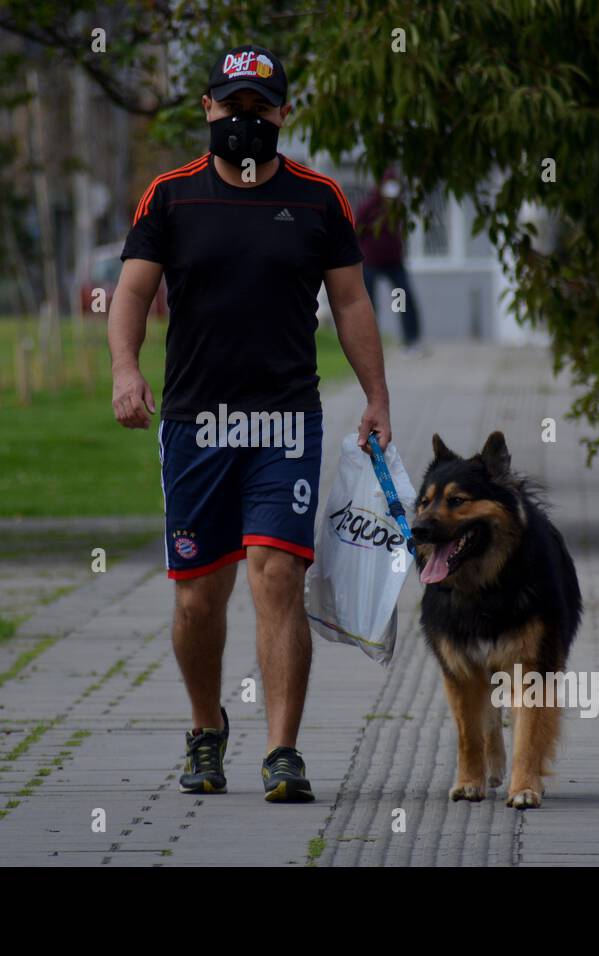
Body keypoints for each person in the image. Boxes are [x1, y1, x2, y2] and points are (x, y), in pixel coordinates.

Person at [108, 44, 391, 803]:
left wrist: (377, 398)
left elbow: (352, 303)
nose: (244, 120)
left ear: (282, 115)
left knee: (277, 573)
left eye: (259, 109)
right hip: (196, 421)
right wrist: (126, 371)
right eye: (231, 107)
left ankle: (282, 750)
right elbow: (131, 295)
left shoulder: (319, 199)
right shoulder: (169, 197)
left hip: (285, 420)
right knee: (199, 595)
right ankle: (207, 728)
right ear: (207, 109)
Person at [355, 168, 425, 353]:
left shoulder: (398, 208)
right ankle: (368, 346)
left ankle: (410, 340)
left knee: (401, 302)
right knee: (369, 305)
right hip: (371, 265)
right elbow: (356, 232)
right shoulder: (368, 207)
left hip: (394, 264)